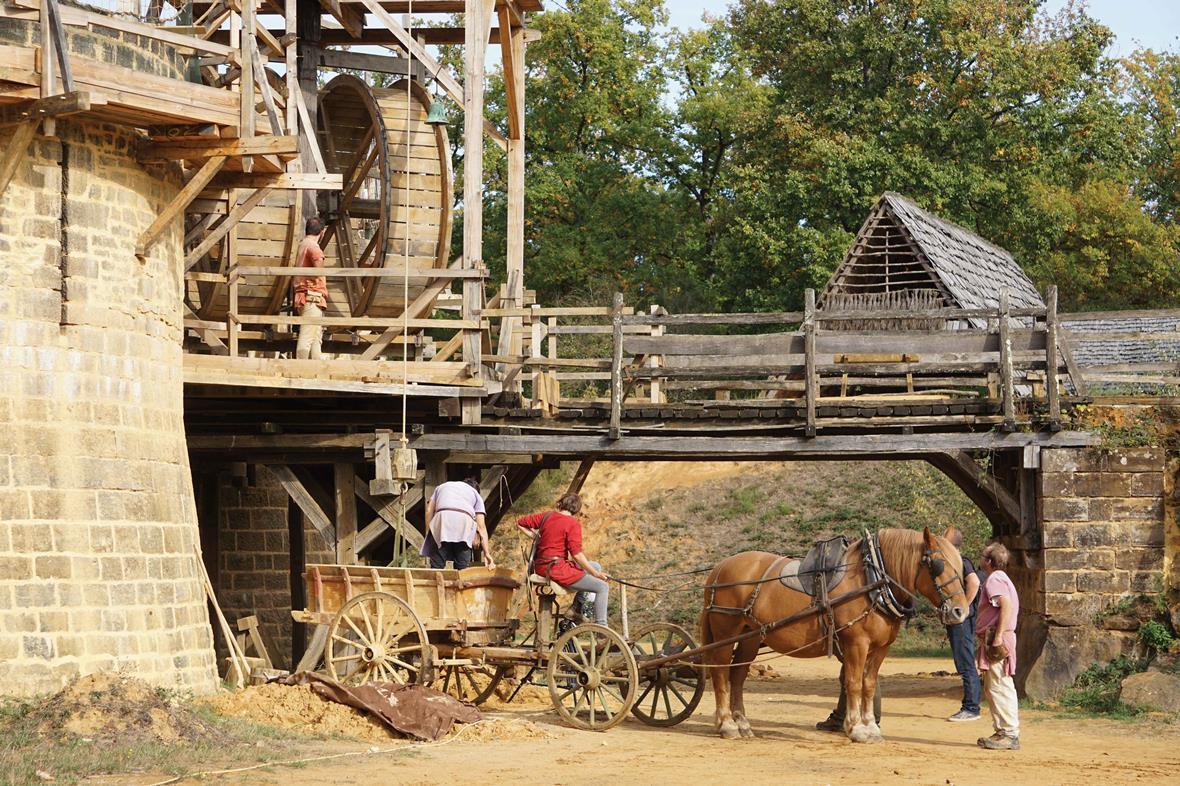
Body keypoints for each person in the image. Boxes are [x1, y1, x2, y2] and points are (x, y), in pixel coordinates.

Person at [516, 492, 611, 627]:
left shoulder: (546, 516)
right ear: (576, 509)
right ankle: (602, 630)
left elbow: (520, 523)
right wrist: (596, 575)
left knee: (595, 565)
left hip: (542, 566)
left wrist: (537, 538)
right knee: (602, 587)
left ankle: (576, 608)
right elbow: (576, 554)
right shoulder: (573, 523)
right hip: (555, 568)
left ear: (560, 503)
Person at [975, 542, 1020, 750]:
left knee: (1000, 684)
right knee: (994, 685)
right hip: (997, 636)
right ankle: (1002, 730)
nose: (981, 559)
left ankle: (1009, 733)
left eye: (984, 556)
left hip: (997, 637)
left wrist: (998, 636)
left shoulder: (994, 579)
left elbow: (1006, 605)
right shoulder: (1002, 578)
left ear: (989, 562)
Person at [947, 530, 984, 722]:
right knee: (964, 660)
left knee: (966, 661)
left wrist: (965, 607)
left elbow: (974, 582)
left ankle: (971, 708)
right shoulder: (955, 562)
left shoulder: (961, 561)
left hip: (962, 619)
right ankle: (971, 705)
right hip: (958, 618)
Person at [420, 478, 494, 571]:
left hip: (442, 519)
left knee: (437, 567)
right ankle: (462, 579)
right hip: (464, 522)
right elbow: (481, 527)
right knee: (462, 569)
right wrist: (487, 553)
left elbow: (428, 511)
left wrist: (430, 533)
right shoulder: (475, 494)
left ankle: (436, 579)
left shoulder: (441, 487)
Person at [294, 216, 328, 360]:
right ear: (322, 232)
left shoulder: (302, 245)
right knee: (307, 338)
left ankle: (315, 371)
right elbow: (318, 270)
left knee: (315, 340)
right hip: (312, 296)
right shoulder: (314, 247)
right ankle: (299, 371)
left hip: (304, 296)